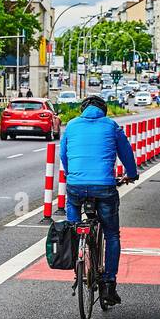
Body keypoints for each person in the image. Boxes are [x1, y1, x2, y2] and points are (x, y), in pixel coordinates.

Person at [59, 95, 138, 307]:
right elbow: (126, 154)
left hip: (76, 187)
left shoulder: (72, 126)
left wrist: (72, 175)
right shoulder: (111, 126)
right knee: (111, 234)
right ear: (104, 111)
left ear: (82, 110)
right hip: (104, 187)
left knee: (73, 224)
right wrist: (131, 174)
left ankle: (77, 253)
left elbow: (63, 155)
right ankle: (109, 283)